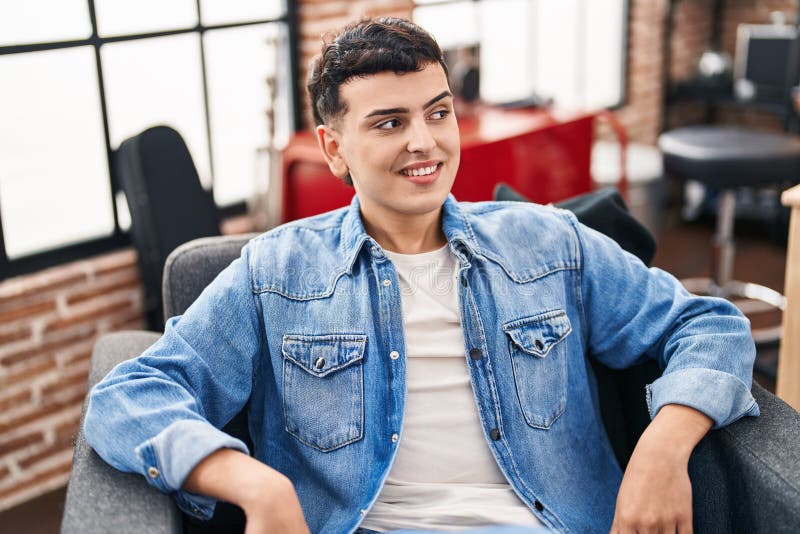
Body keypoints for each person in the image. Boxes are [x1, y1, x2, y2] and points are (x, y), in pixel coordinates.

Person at [84, 17, 759, 534]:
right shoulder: (276, 273)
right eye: (389, 122)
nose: (425, 142)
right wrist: (256, 485)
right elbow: (130, 395)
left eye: (438, 112)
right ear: (334, 148)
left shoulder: (547, 242)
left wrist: (664, 447)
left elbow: (707, 324)